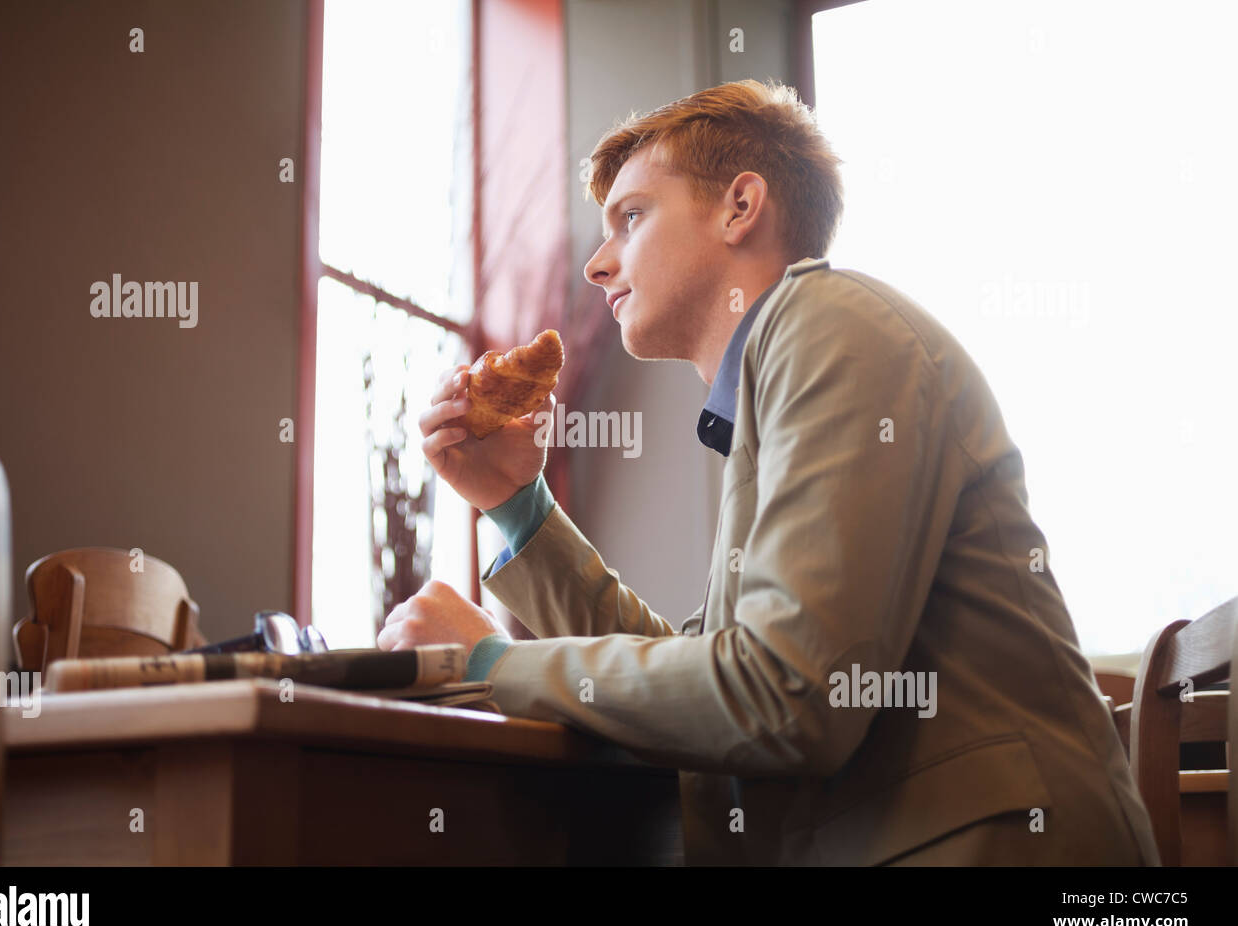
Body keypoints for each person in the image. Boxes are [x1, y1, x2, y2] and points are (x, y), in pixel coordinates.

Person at [376, 79, 1159, 866]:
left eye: (632, 217)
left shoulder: (829, 327)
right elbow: (714, 678)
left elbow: (785, 692)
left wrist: (489, 664)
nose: (597, 265)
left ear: (739, 207)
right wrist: (517, 506)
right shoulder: (777, 377)